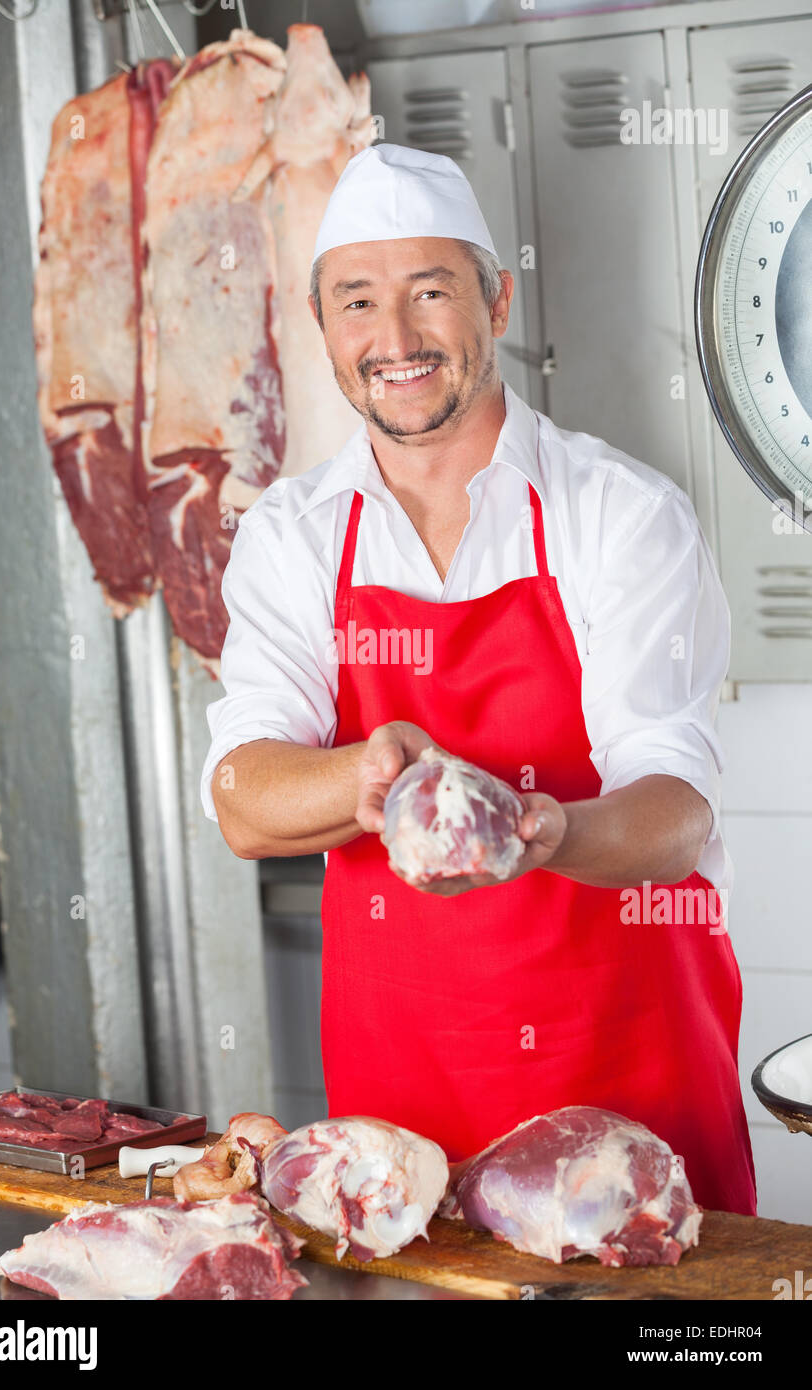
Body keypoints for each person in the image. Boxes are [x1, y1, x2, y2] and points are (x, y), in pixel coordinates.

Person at [201, 144, 756, 1215]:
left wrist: (541, 830)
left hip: (630, 1082)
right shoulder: (292, 537)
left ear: (495, 299)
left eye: (430, 292)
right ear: (321, 326)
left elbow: (676, 810)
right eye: (357, 301)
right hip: (405, 1105)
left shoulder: (619, 513)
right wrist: (364, 774)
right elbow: (243, 800)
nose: (395, 339)